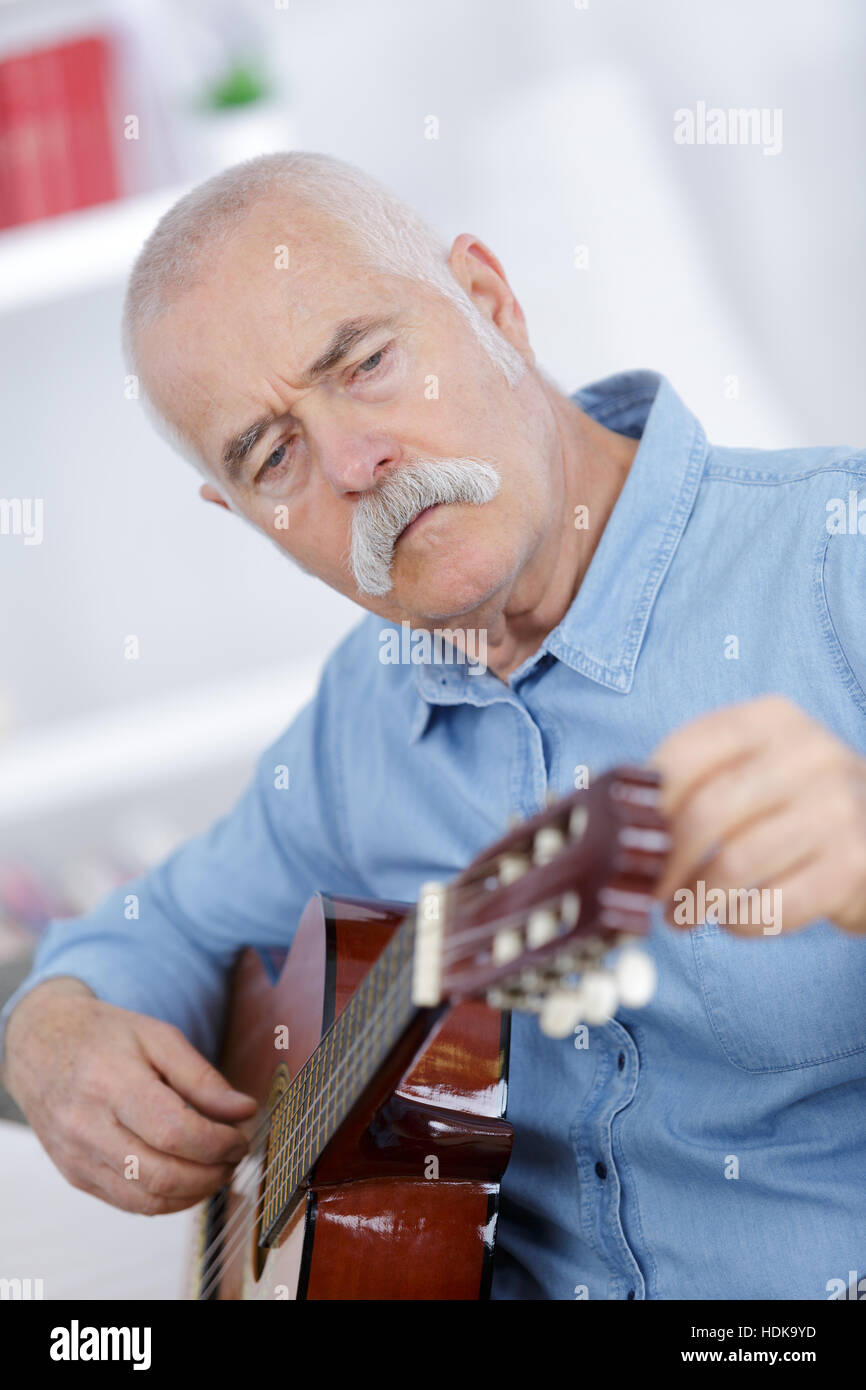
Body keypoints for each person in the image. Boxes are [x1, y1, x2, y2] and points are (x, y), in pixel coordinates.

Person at [3, 152, 865, 1300]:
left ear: (490, 301)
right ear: (246, 517)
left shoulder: (832, 560)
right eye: (274, 455)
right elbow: (159, 920)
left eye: (365, 361)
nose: (357, 463)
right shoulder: (355, 725)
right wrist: (49, 1026)